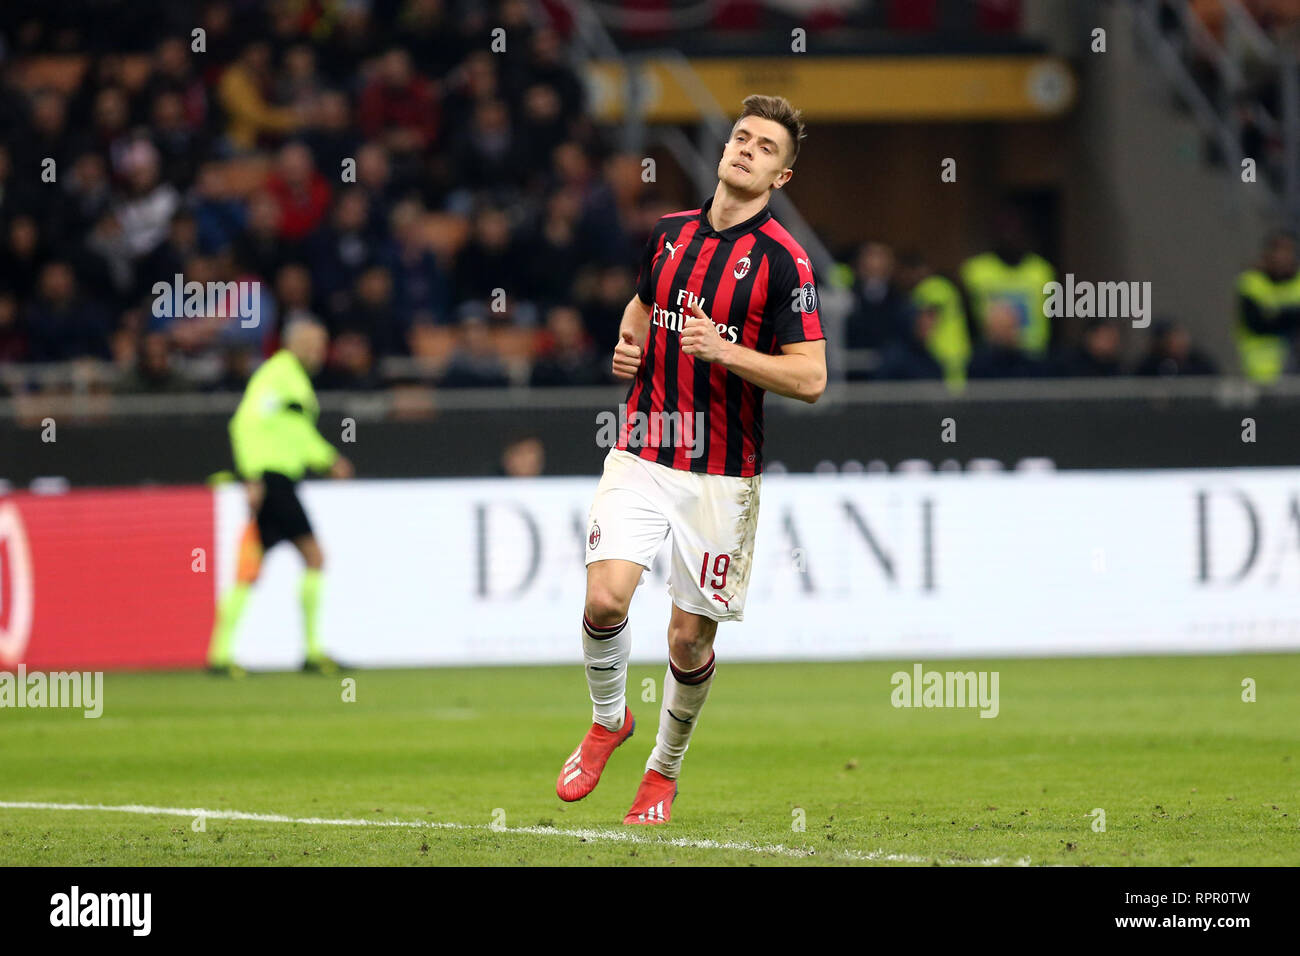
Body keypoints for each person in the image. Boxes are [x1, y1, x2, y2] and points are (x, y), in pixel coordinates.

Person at [557, 95, 826, 825]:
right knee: (605, 600)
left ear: (782, 176)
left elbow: (810, 378)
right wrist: (627, 342)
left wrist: (727, 351)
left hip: (721, 477)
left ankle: (663, 770)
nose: (746, 150)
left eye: (765, 147)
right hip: (642, 450)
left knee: (686, 638)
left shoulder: (784, 262)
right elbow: (643, 309)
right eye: (741, 137)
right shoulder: (669, 233)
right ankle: (610, 720)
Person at [207, 318, 354, 676]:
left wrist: (328, 459)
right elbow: (245, 423)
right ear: (295, 343)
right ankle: (312, 652)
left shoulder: (295, 381)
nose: (321, 351)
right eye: (315, 342)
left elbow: (296, 433)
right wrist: (253, 475)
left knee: (252, 570)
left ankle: (220, 654)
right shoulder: (276, 376)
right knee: (314, 557)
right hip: (273, 481)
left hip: (281, 480)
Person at [1235, 230, 1300, 383]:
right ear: (1267, 254)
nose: (1282, 257)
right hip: (1262, 375)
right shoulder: (1251, 283)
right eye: (1278, 250)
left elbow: (1272, 320)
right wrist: (1293, 315)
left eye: (1288, 251)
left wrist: (1276, 314)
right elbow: (1257, 323)